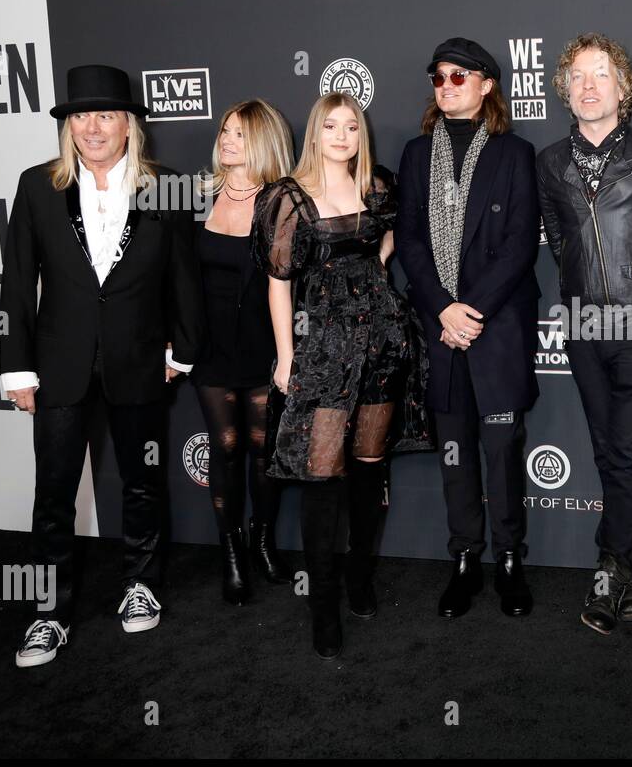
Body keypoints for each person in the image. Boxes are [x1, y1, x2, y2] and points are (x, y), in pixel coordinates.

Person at [1, 64, 203, 667]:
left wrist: (181, 351)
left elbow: (183, 280)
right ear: (68, 126)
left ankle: (140, 586)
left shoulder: (164, 186)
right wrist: (18, 370)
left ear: (129, 125)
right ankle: (48, 614)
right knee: (54, 491)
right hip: (58, 366)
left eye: (106, 114)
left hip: (139, 360)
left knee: (142, 481)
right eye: (80, 116)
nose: (92, 127)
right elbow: (16, 285)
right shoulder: (38, 186)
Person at [252, 92, 431, 660]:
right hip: (324, 353)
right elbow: (279, 283)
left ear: (361, 135)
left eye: (350, 127)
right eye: (330, 125)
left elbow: (391, 234)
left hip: (381, 345)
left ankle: (359, 579)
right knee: (322, 475)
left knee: (368, 471)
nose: (341, 135)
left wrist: (370, 272)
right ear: (315, 132)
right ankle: (323, 609)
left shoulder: (378, 186)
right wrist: (285, 357)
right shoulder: (289, 197)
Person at [395, 37, 540, 619]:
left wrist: (470, 311)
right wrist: (442, 310)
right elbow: (407, 238)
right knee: (454, 451)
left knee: (502, 451)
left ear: (486, 85)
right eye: (439, 76)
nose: (446, 85)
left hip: (496, 326)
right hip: (440, 326)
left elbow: (519, 243)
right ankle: (464, 559)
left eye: (459, 76)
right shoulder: (414, 154)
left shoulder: (515, 153)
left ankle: (509, 559)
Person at [537, 33, 632, 635]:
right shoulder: (547, 162)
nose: (588, 86)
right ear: (566, 91)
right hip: (584, 324)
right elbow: (559, 241)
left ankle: (609, 567)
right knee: (606, 449)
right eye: (577, 77)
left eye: (600, 75)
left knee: (627, 451)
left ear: (624, 88)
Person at [194, 100, 294, 604]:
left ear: (264, 141)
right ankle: (230, 549)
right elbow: (175, 277)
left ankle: (262, 539)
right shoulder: (196, 197)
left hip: (262, 345)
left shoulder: (283, 202)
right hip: (210, 347)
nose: (227, 140)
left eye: (240, 133)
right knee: (227, 445)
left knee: (262, 449)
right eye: (225, 131)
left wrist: (287, 352)